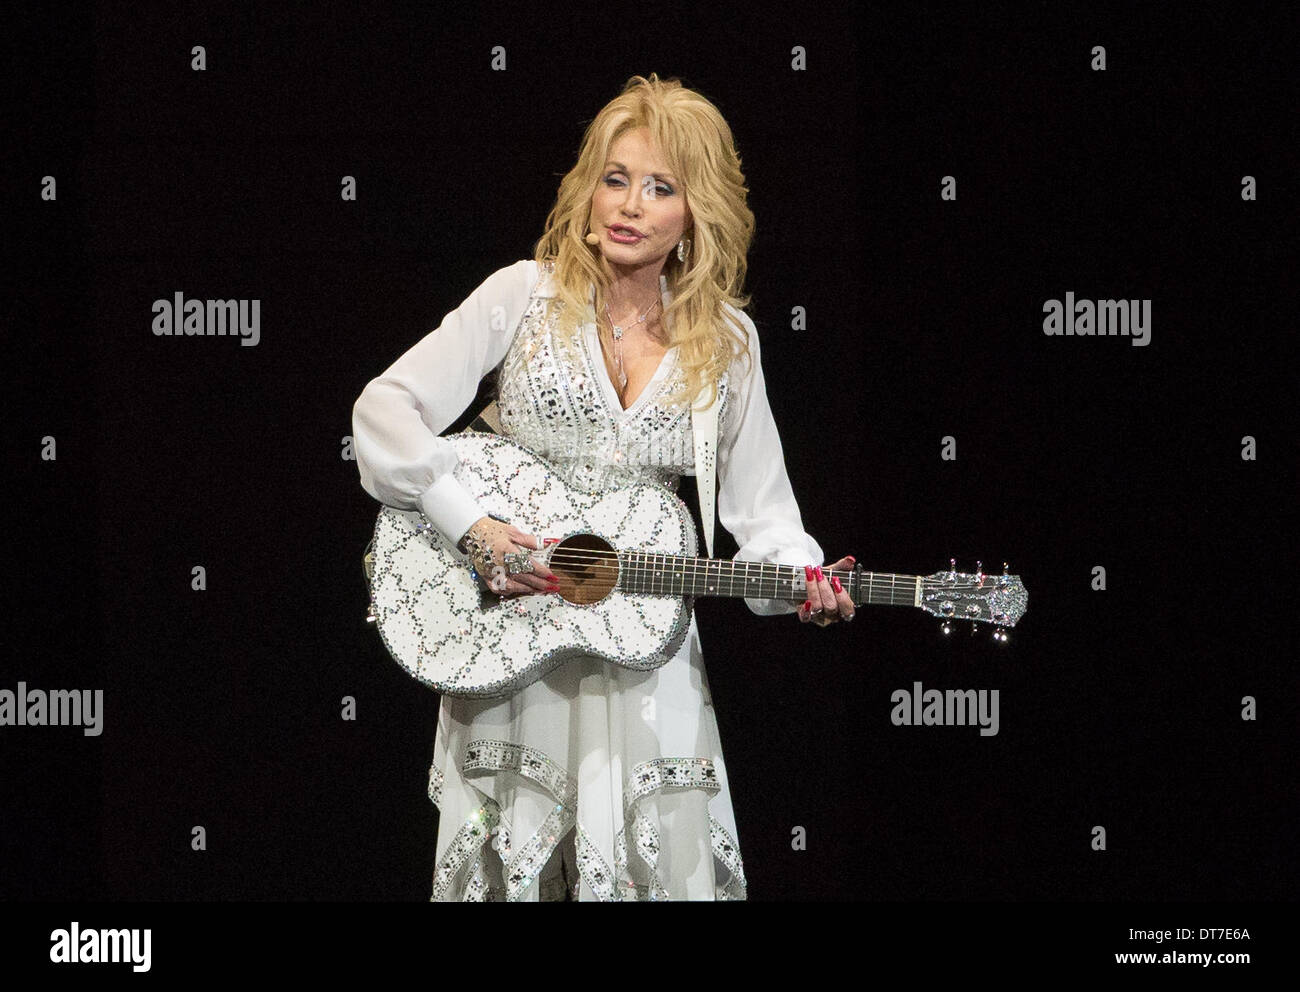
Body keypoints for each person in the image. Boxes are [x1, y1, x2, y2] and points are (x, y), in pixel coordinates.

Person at [351, 73, 855, 902]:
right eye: (615, 178)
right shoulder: (523, 294)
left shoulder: (728, 342)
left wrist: (802, 582)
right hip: (517, 656)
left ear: (697, 213)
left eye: (661, 187)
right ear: (587, 191)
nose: (629, 204)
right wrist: (471, 524)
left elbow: (766, 521)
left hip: (648, 670)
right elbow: (383, 412)